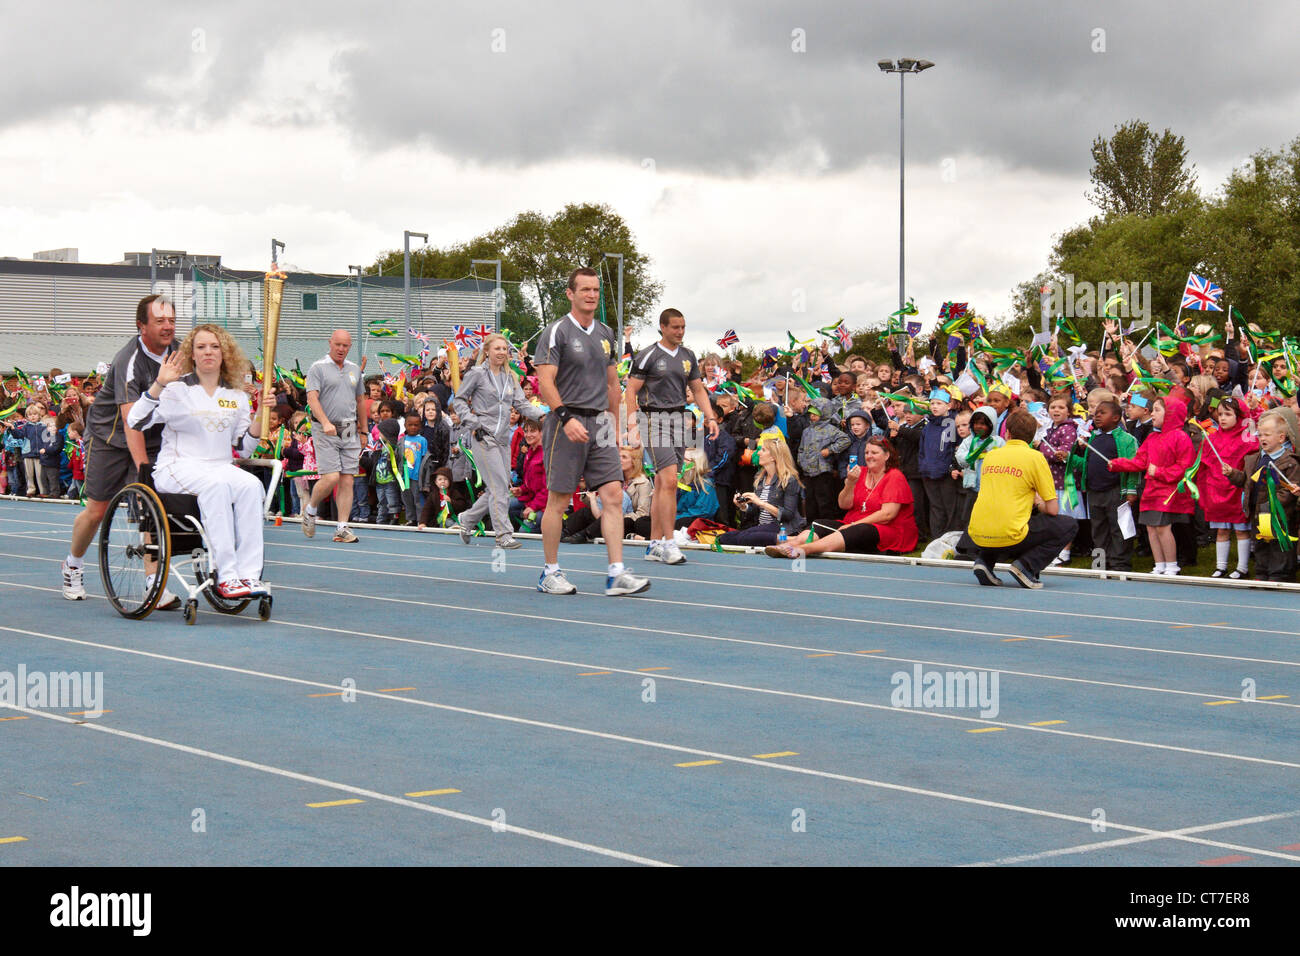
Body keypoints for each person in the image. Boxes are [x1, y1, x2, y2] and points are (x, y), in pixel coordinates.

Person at [126, 324, 268, 599]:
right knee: (216, 486)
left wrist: (261, 412)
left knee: (251, 486)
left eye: (215, 346)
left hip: (221, 466)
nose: (208, 352)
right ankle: (225, 576)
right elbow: (135, 421)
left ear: (224, 353)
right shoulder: (176, 389)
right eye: (201, 347)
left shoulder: (236, 395)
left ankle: (249, 575)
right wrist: (159, 383)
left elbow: (245, 448)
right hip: (179, 467)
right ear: (191, 353)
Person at [533, 267, 649, 596]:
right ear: (570, 293)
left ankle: (616, 573)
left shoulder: (605, 334)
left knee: (613, 495)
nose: (592, 295)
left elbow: (613, 384)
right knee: (558, 500)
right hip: (565, 422)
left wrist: (614, 423)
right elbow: (545, 382)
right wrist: (565, 416)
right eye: (585, 289)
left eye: (596, 290)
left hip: (599, 423)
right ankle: (550, 572)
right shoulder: (556, 332)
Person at [62, 294, 179, 605]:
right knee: (97, 511)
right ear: (141, 326)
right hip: (109, 438)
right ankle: (73, 563)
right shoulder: (129, 361)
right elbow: (132, 422)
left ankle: (153, 581)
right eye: (159, 321)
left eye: (171, 320)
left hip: (154, 438)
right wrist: (142, 469)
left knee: (152, 507)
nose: (168, 327)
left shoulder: (181, 353)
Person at [624, 308, 719, 564]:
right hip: (654, 419)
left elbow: (697, 389)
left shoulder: (688, 355)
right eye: (675, 327)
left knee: (664, 485)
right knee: (669, 482)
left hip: (679, 419)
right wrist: (633, 425)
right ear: (663, 327)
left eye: (683, 327)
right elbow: (630, 390)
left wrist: (710, 416)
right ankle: (668, 542)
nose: (680, 332)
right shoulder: (647, 355)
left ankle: (654, 544)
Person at [964, 408, 1077, 589]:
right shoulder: (1035, 457)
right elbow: (1053, 510)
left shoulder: (991, 455)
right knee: (1067, 525)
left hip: (977, 532)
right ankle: (1026, 566)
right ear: (1033, 437)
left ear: (1007, 433)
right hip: (1010, 532)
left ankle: (985, 560)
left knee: (1008, 519)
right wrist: (1038, 501)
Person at [451, 333, 544, 549]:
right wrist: (474, 424)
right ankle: (503, 534)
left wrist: (543, 415)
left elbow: (521, 404)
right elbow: (459, 401)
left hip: (503, 439)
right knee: (500, 486)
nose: (502, 352)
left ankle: (467, 520)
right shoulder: (476, 373)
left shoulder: (510, 377)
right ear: (487, 351)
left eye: (505, 349)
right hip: (483, 437)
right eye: (498, 348)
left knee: (497, 488)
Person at [765, 435, 916, 559]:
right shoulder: (860, 472)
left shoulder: (894, 476)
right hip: (855, 523)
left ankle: (803, 549)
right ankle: (791, 544)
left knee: (858, 530)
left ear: (887, 455)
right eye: (866, 452)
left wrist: (853, 525)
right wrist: (850, 483)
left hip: (888, 530)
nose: (869, 456)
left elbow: (887, 515)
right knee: (818, 524)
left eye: (874, 453)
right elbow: (843, 504)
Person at [1108, 396, 1197, 576]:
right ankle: (1159, 564)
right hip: (1151, 490)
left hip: (1168, 491)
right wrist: (1118, 464)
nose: (1153, 413)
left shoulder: (1181, 437)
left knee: (1163, 527)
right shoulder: (1152, 437)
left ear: (1171, 414)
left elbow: (1185, 467)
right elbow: (1140, 461)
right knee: (1150, 527)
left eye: (1157, 410)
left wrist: (1160, 472)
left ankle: (1172, 564)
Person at [303, 329, 366, 543]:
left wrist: (364, 430)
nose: (341, 349)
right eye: (338, 344)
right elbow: (312, 398)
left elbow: (360, 401)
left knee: (347, 479)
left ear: (349, 346)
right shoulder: (317, 368)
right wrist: (325, 422)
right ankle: (311, 509)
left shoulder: (355, 369)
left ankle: (342, 527)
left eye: (345, 345)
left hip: (349, 429)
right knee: (331, 477)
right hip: (325, 429)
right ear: (330, 343)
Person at [1225, 409, 1300, 582]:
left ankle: (1280, 575)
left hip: (1280, 516)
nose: (1262, 438)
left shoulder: (1290, 462)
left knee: (1279, 546)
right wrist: (1232, 474)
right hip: (1258, 512)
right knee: (1260, 544)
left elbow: (1289, 490)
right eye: (1260, 435)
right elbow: (1246, 481)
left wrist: (1270, 506)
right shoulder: (1254, 459)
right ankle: (1261, 572)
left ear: (1281, 438)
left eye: (1267, 435)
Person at [1199, 396, 1257, 578]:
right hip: (1217, 491)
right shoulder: (1212, 439)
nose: (1222, 418)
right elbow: (1204, 465)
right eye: (1220, 414)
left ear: (1238, 416)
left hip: (1237, 492)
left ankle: (1242, 567)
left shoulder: (1246, 439)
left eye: (1228, 414)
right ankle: (1221, 566)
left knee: (1241, 530)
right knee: (1221, 530)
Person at [716, 438, 804, 547]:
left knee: (737, 537)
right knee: (728, 536)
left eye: (763, 450)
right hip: (763, 527)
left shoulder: (789, 479)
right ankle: (789, 540)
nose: (758, 453)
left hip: (781, 526)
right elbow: (755, 512)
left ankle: (791, 539)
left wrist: (761, 502)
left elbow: (788, 515)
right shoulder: (759, 477)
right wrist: (743, 506)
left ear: (773, 457)